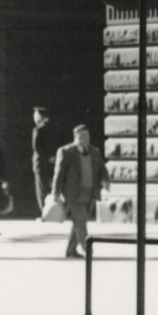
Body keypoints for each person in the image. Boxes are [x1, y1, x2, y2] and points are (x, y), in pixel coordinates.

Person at [51, 124, 103, 260]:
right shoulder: (66, 152)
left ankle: (71, 250)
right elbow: (59, 173)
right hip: (74, 193)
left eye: (87, 136)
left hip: (90, 193)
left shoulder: (94, 151)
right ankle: (88, 248)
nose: (85, 139)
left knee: (78, 222)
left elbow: (101, 168)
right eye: (82, 136)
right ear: (75, 137)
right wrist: (55, 192)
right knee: (81, 221)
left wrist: (105, 181)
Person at [30, 107, 58, 215]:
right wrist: (52, 157)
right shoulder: (55, 128)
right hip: (53, 162)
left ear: (39, 116)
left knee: (41, 189)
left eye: (35, 115)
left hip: (40, 163)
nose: (34, 117)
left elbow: (36, 147)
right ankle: (53, 212)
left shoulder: (37, 130)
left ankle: (45, 213)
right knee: (52, 187)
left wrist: (46, 157)